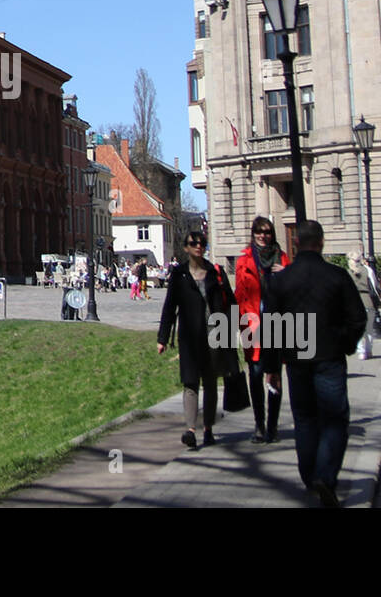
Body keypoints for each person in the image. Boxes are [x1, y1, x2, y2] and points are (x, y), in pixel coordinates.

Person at [263, 220, 367, 508]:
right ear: (321, 242)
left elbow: (271, 326)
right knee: (334, 419)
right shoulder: (336, 276)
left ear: (296, 243)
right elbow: (358, 317)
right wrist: (345, 343)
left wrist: (272, 367)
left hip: (296, 359)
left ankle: (311, 477)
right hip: (329, 356)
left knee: (305, 419)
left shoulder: (281, 280)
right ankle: (325, 475)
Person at [157, 231, 240, 450]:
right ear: (185, 248)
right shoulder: (179, 274)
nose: (198, 247)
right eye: (193, 243)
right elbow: (169, 307)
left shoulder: (216, 272)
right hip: (189, 336)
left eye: (202, 243)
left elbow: (231, 304)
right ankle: (191, 429)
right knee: (190, 382)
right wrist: (162, 338)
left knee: (211, 383)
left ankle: (209, 428)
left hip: (215, 334)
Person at [235, 215, 290, 443]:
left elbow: (293, 292)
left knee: (274, 375)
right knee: (255, 375)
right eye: (259, 231)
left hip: (277, 323)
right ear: (253, 232)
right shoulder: (244, 260)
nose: (263, 235)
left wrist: (284, 275)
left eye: (267, 231)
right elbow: (239, 295)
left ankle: (273, 426)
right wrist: (240, 326)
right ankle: (259, 424)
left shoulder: (283, 258)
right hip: (253, 325)